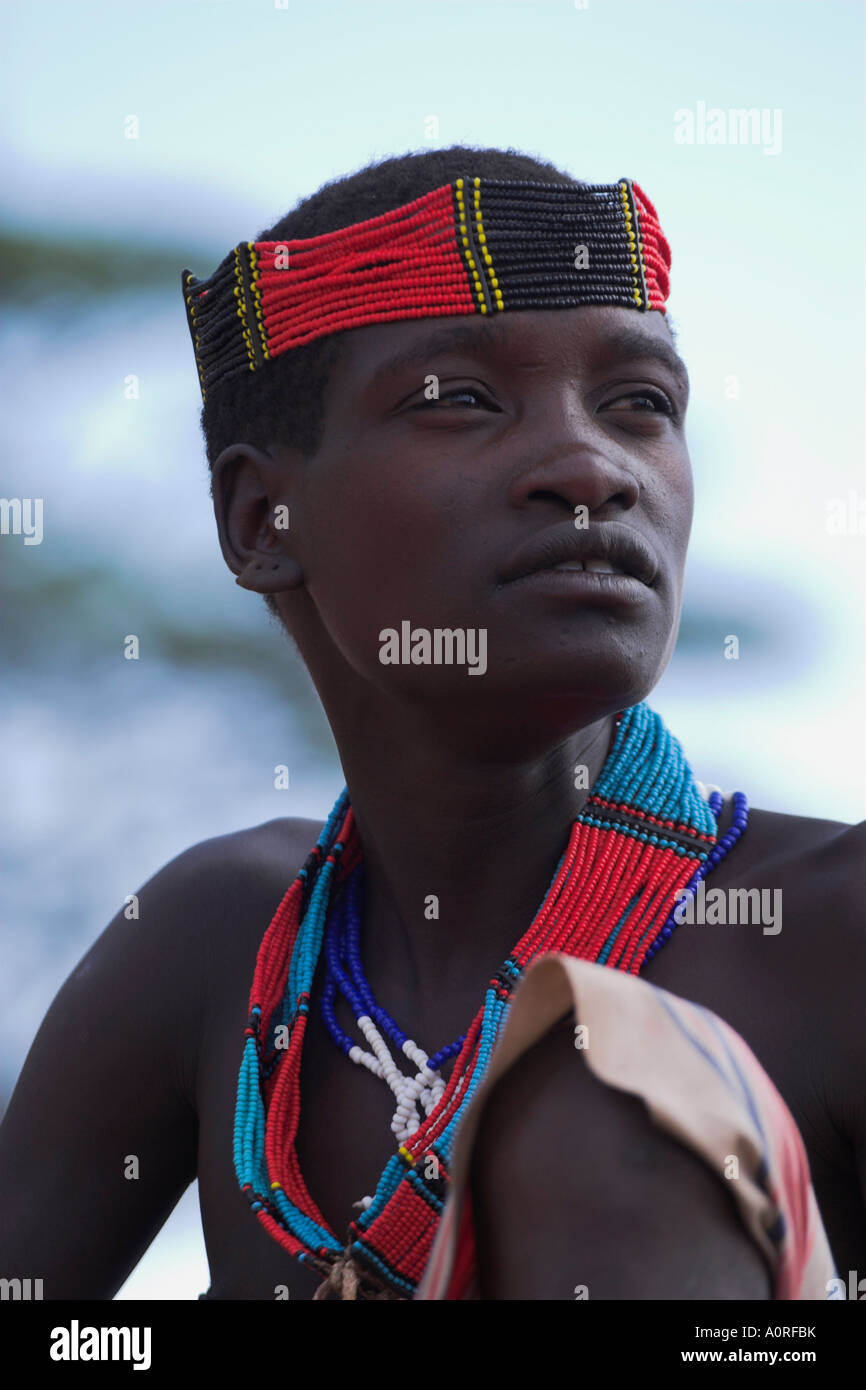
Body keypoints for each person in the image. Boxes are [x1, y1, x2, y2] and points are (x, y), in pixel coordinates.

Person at [1, 146, 863, 1302]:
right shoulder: (214, 946)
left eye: (638, 405)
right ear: (263, 518)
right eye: (457, 398)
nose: (587, 466)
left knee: (605, 1094)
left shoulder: (833, 929)